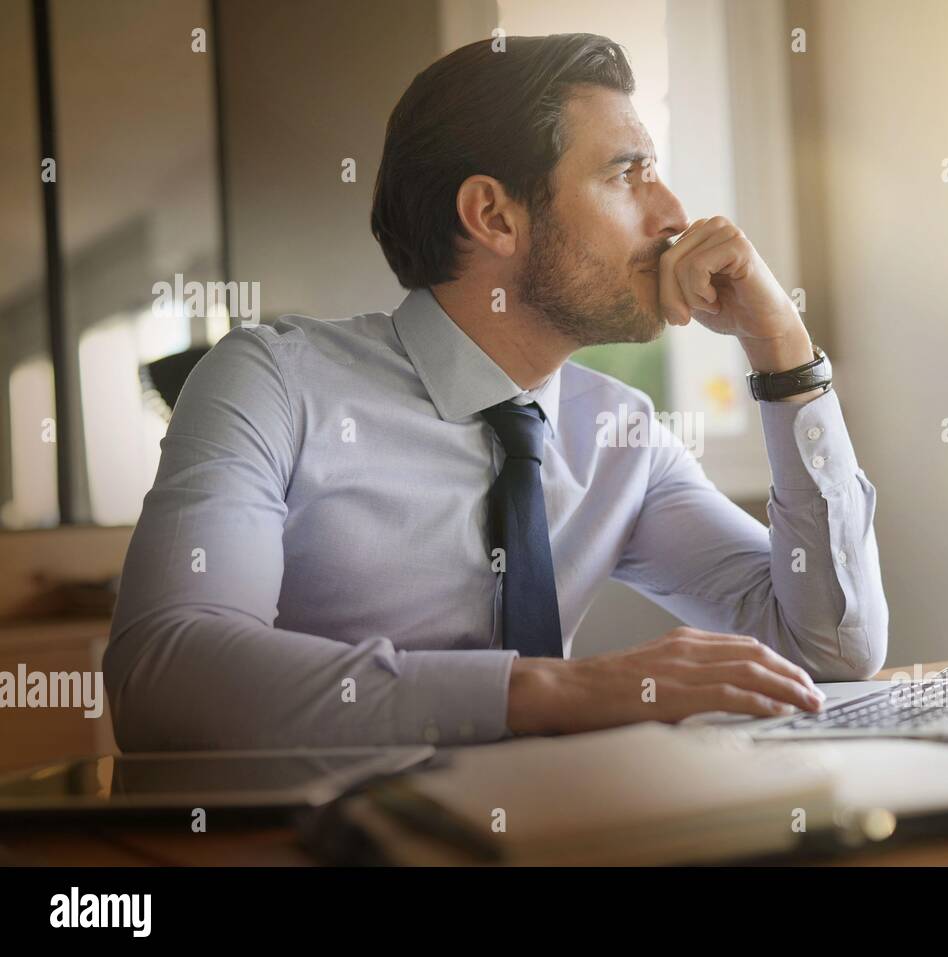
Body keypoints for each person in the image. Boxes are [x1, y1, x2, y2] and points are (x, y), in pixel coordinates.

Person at [105, 33, 887, 750]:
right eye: (626, 174)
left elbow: (831, 647)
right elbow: (165, 677)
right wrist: (555, 690)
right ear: (493, 216)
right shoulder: (272, 385)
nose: (676, 215)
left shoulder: (622, 438)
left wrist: (784, 355)